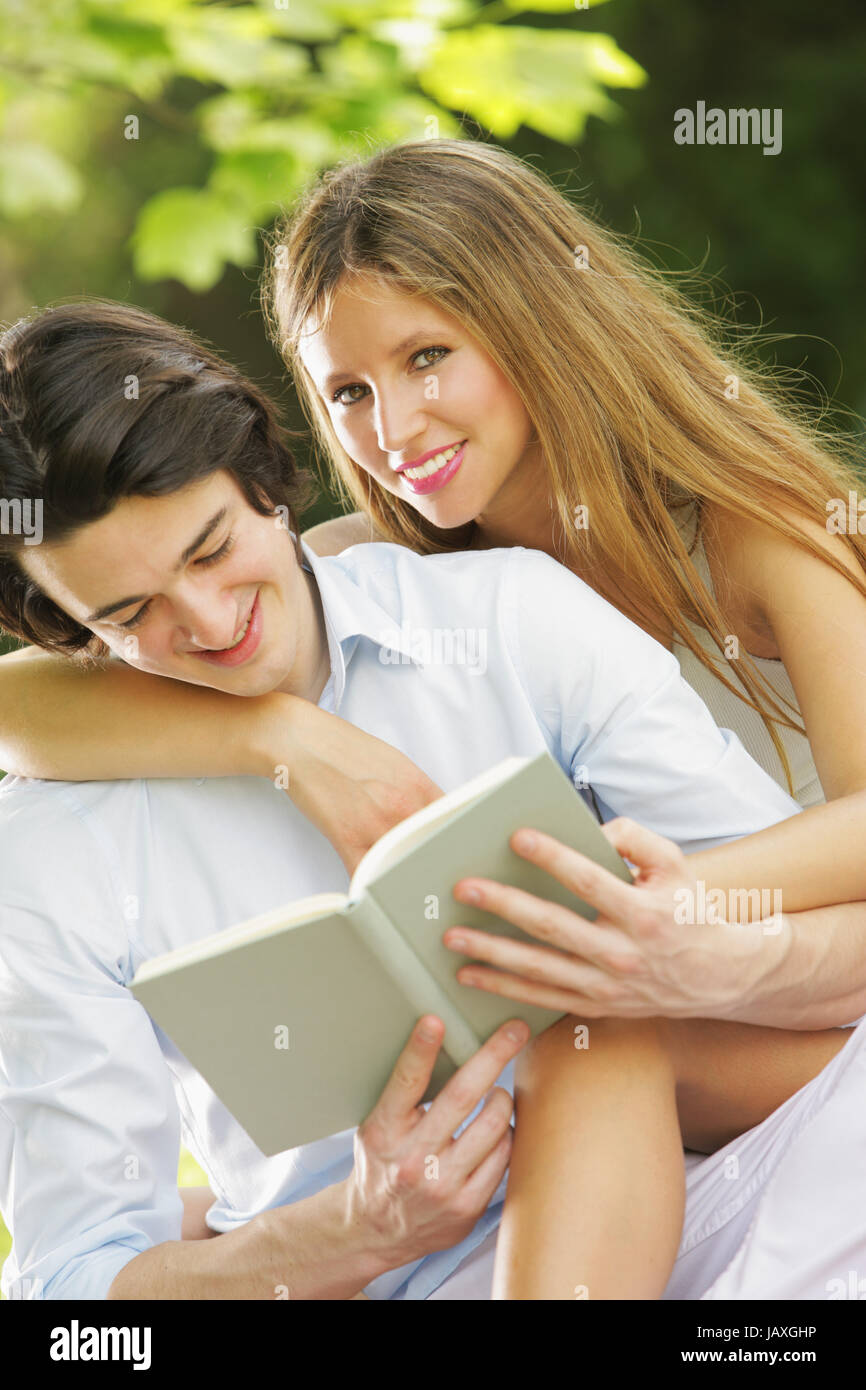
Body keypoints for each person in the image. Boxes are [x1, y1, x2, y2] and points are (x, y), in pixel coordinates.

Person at [0, 300, 851, 1302]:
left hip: (728, 1175)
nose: (209, 620)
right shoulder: (52, 854)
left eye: (210, 550)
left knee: (589, 1026)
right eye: (129, 613)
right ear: (60, 627)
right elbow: (68, 1297)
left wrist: (694, 950)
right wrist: (348, 1234)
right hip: (422, 1279)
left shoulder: (510, 620)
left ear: (263, 484)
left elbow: (823, 957)